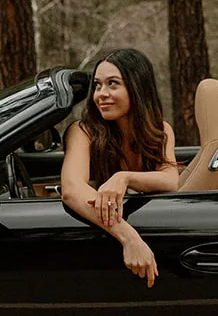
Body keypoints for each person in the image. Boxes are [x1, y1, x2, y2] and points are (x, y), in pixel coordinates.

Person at [59, 48, 180, 287]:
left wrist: (124, 178)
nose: (101, 94)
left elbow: (171, 180)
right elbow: (72, 189)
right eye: (97, 85)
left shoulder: (160, 130)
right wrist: (129, 238)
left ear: (137, 87)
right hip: (97, 251)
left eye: (113, 84)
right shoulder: (83, 131)